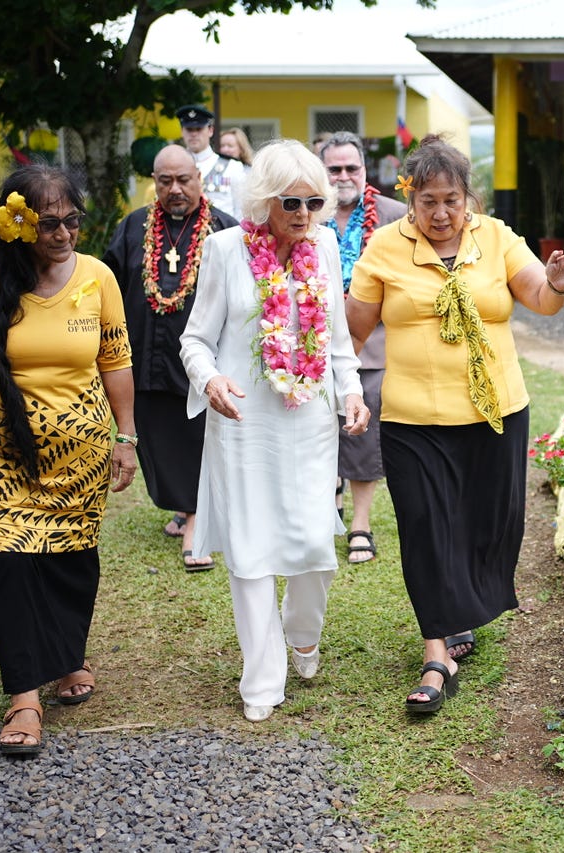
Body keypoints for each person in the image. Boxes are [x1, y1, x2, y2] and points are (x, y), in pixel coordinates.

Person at [346, 134, 564, 714]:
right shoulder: (385, 246)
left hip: (494, 413)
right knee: (424, 527)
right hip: (412, 418)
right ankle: (437, 654)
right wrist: (341, 383)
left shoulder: (497, 236)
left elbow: (539, 296)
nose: (440, 214)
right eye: (427, 201)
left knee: (487, 523)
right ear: (410, 198)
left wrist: (557, 282)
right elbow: (352, 330)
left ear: (467, 197)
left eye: (451, 200)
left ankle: (460, 610)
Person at [0, 165, 136, 755]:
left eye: (72, 220)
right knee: (10, 566)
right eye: (48, 224)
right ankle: (24, 696)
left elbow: (115, 362)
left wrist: (126, 438)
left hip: (79, 452)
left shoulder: (97, 277)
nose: (64, 233)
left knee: (72, 562)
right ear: (16, 225)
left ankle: (68, 657)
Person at [180, 139, 371, 722]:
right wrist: (210, 379)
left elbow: (339, 342)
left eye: (315, 201)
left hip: (310, 420)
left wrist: (352, 392)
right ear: (264, 200)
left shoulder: (326, 248)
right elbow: (195, 340)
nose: (305, 214)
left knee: (315, 545)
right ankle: (262, 678)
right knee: (251, 548)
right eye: (292, 202)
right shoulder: (224, 250)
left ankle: (302, 632)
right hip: (244, 422)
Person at [103, 145, 239, 570]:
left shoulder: (224, 229)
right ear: (155, 182)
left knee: (199, 438)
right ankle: (185, 508)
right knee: (159, 436)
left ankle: (197, 522)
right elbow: (110, 284)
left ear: (199, 178)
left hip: (203, 363)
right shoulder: (134, 227)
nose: (175, 189)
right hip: (147, 357)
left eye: (183, 180)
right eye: (166, 181)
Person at [318, 131, 406, 566]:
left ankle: (361, 523)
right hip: (312, 344)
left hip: (372, 344)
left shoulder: (395, 216)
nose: (343, 176)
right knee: (319, 428)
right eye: (333, 169)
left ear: (365, 170)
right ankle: (325, 503)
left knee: (363, 433)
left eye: (351, 168)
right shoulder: (305, 211)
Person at [176, 104, 245, 220]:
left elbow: (241, 210)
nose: (194, 134)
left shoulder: (232, 167)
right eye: (189, 129)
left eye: (199, 129)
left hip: (223, 229)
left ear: (210, 130)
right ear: (182, 131)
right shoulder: (175, 166)